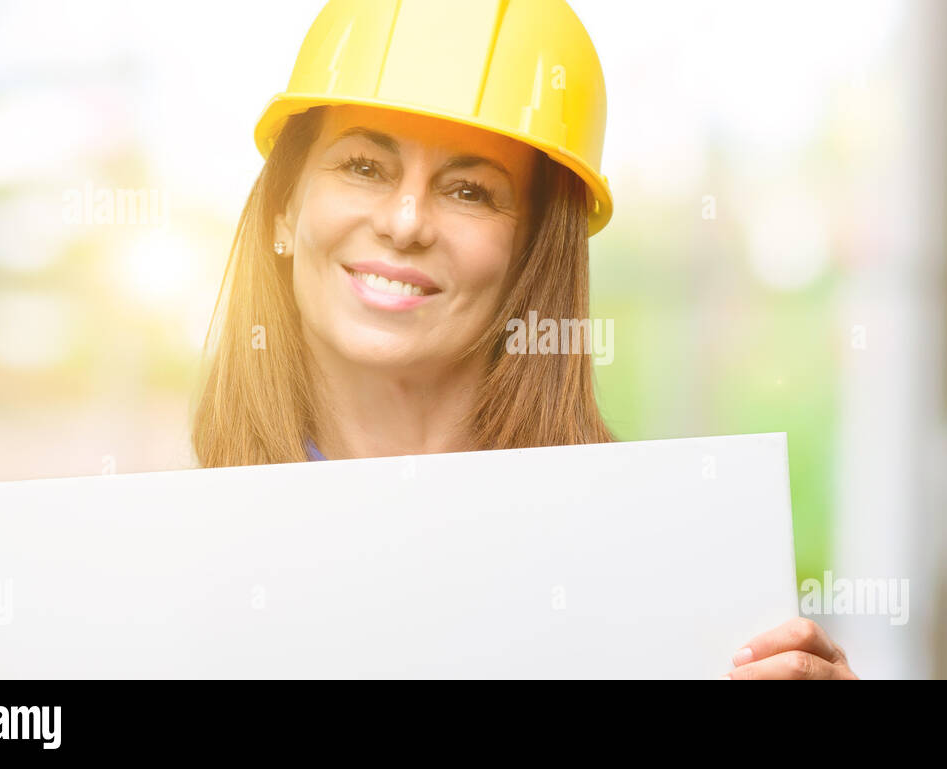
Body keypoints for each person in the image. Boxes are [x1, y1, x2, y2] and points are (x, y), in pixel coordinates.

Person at [191, 0, 857, 680]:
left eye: (470, 190)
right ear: (283, 209)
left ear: (533, 254)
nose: (405, 220)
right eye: (364, 166)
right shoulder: (178, 568)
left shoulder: (661, 565)